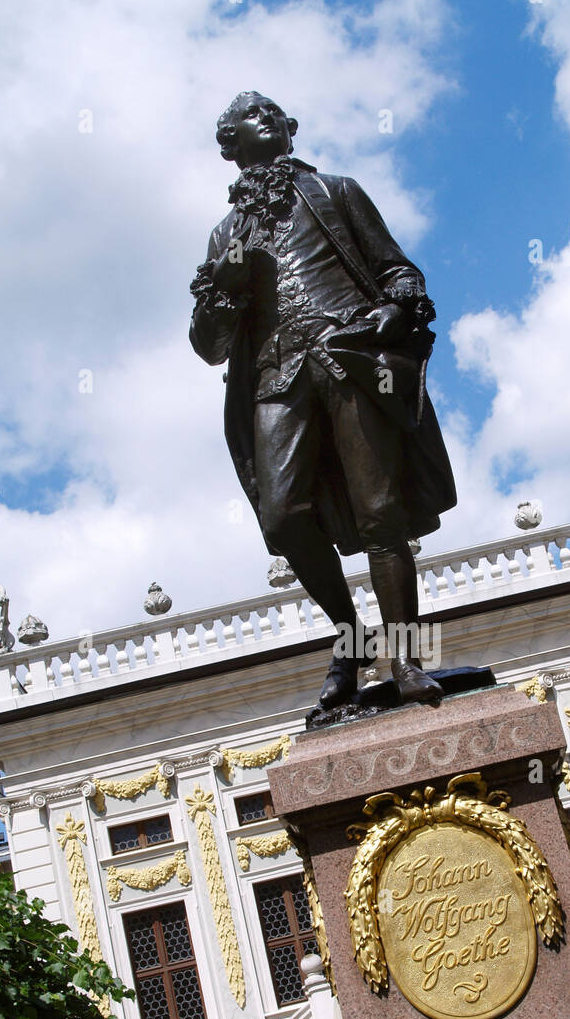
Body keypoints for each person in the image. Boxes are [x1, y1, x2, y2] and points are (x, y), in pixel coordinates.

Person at [189, 92, 456, 711]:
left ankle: (409, 660)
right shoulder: (226, 234)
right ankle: (353, 639)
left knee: (380, 512)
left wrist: (392, 312)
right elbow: (209, 345)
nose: (264, 122)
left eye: (270, 114)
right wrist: (224, 292)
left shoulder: (336, 192)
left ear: (287, 129)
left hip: (347, 358)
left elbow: (398, 271)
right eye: (246, 120)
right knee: (281, 519)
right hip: (274, 376)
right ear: (230, 146)